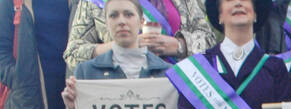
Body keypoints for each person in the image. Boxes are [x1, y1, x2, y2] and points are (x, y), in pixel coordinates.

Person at [65, 0, 216, 71]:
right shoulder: (94, 2)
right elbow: (73, 53)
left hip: (176, 88)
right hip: (120, 88)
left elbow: (210, 42)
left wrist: (179, 45)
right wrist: (121, 46)